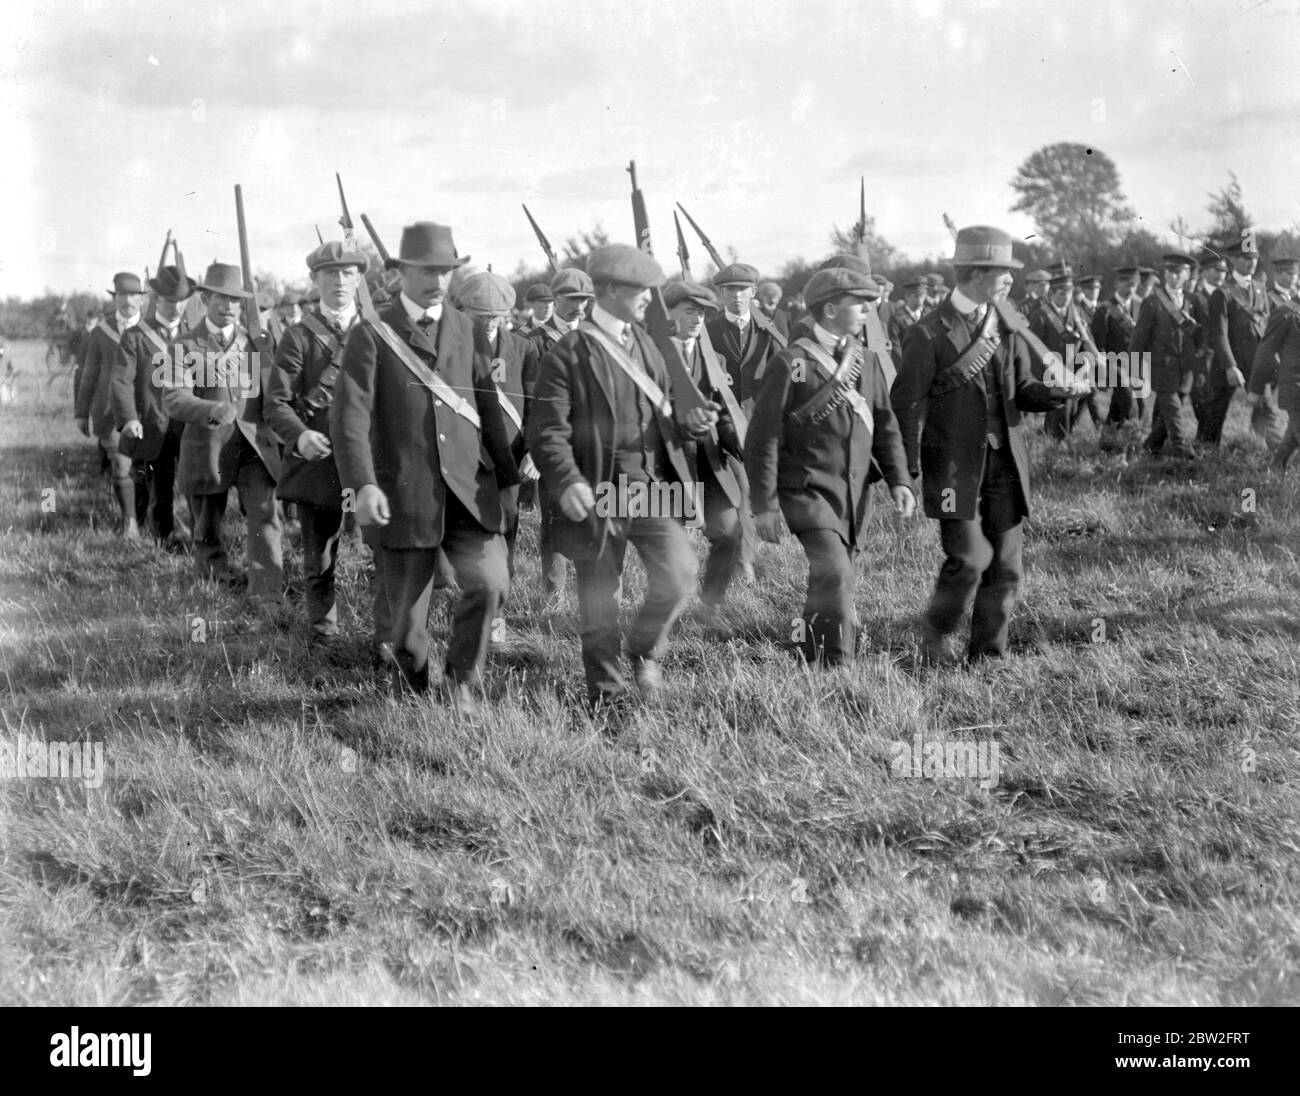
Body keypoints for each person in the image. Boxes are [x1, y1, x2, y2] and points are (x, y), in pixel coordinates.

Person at [331, 222, 519, 714]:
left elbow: (488, 408)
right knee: (407, 633)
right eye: (427, 270)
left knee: (491, 582)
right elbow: (349, 417)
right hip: (404, 494)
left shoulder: (468, 327)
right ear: (398, 273)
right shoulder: (372, 334)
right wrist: (364, 484)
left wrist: (507, 476)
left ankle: (462, 684)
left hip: (467, 490)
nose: (438, 280)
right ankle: (412, 694)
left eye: (446, 271)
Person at [526, 243, 716, 707]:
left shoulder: (647, 344)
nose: (649, 299)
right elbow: (547, 429)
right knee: (599, 603)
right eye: (640, 291)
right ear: (610, 291)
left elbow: (666, 408)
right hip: (594, 489)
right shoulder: (570, 352)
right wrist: (568, 479)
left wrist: (691, 421)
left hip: (645, 486)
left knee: (681, 571)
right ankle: (606, 698)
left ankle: (645, 650)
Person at [893, 225, 1083, 663]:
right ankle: (936, 634)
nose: (1010, 280)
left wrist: (1055, 392)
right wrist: (903, 474)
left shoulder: (1006, 324)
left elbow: (1022, 389)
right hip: (953, 470)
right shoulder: (927, 334)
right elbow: (904, 407)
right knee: (971, 558)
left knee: (1007, 567)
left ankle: (988, 657)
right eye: (1003, 271)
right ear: (977, 274)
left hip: (1006, 466)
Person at [746, 267, 914, 666]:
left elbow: (886, 425)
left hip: (856, 492)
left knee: (831, 577)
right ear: (832, 308)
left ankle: (810, 652)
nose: (868, 309)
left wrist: (899, 480)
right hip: (806, 489)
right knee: (837, 574)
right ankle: (841, 669)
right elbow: (763, 437)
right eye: (859, 303)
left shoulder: (867, 359)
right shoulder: (792, 362)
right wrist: (765, 505)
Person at [263, 241, 368, 650]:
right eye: (330, 274)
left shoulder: (378, 329)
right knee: (319, 556)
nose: (339, 281)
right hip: (319, 462)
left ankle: (388, 634)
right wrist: (300, 434)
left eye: (346, 273)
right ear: (316, 280)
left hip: (370, 463)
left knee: (385, 552)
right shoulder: (298, 336)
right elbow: (276, 403)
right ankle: (324, 633)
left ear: (358, 279)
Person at [164, 262, 284, 606]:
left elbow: (274, 392)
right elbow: (173, 396)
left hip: (253, 445)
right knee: (207, 523)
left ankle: (266, 591)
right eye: (220, 297)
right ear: (205, 298)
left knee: (264, 513)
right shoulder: (184, 345)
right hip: (207, 446)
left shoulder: (256, 342)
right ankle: (215, 572)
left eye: (235, 299)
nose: (228, 305)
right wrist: (209, 409)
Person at [665, 279, 745, 632]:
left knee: (729, 533)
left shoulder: (717, 359)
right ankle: (667, 613)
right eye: (689, 311)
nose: (697, 319)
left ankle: (709, 606)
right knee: (672, 548)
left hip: (709, 462)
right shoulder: (651, 356)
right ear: (669, 314)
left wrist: (742, 443)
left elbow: (726, 412)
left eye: (701, 313)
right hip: (665, 465)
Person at [455, 270, 540, 605]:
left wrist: (534, 451)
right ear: (464, 312)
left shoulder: (523, 348)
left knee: (506, 540)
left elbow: (535, 406)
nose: (489, 323)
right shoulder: (448, 346)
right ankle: (465, 608)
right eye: (481, 316)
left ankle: (497, 621)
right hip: (462, 460)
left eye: (497, 316)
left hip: (509, 460)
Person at [112, 263, 194, 550]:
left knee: (193, 482)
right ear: (157, 299)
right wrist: (129, 419)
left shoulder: (195, 335)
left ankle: (198, 538)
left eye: (181, 301)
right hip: (151, 422)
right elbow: (122, 380)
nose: (176, 307)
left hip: (188, 425)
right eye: (170, 301)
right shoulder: (136, 336)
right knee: (155, 483)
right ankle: (162, 538)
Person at [75, 272, 148, 538]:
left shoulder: (151, 331)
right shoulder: (100, 332)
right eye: (122, 295)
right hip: (108, 411)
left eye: (133, 295)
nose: (128, 301)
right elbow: (87, 374)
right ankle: (129, 522)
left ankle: (147, 516)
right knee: (120, 464)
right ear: (115, 298)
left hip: (146, 411)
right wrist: (81, 413)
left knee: (145, 468)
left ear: (142, 300)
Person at [1132, 252, 1205, 461]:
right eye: (1170, 272)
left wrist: (1199, 357)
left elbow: (1202, 334)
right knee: (1174, 412)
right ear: (1165, 274)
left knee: (1169, 413)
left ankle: (1150, 447)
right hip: (1162, 368)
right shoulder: (1152, 301)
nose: (1174, 277)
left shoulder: (1193, 300)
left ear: (1187, 274)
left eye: (1179, 273)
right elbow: (1138, 339)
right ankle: (1184, 453)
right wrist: (1135, 370)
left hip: (1186, 369)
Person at [1202, 239, 1269, 447]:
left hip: (1256, 359)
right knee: (1216, 409)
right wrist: (1230, 366)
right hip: (1229, 360)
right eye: (1246, 258)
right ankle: (1206, 451)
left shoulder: (1260, 288)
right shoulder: (1223, 293)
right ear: (1234, 260)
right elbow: (1219, 334)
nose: (1251, 263)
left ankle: (1261, 447)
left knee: (1264, 405)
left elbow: (1264, 322)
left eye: (1254, 258)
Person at [1249, 255, 1300, 469]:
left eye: (1294, 274)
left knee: (1292, 434)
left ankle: (1276, 466)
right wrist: (1255, 388)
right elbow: (1265, 351)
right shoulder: (1284, 313)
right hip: (1295, 386)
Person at [706, 263, 781, 406]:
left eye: (742, 289)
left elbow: (780, 369)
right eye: (731, 289)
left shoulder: (767, 329)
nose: (737, 295)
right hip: (724, 415)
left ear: (753, 292)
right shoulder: (709, 330)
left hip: (760, 413)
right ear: (722, 292)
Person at [1092, 265, 1143, 446]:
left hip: (1136, 364)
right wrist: (1103, 369)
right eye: (1126, 284)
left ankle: (1106, 443)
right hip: (1115, 365)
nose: (1130, 289)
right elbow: (1098, 344)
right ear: (1117, 284)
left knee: (1119, 405)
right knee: (1131, 405)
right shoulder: (1105, 310)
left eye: (1134, 285)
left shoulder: (1141, 305)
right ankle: (1133, 447)